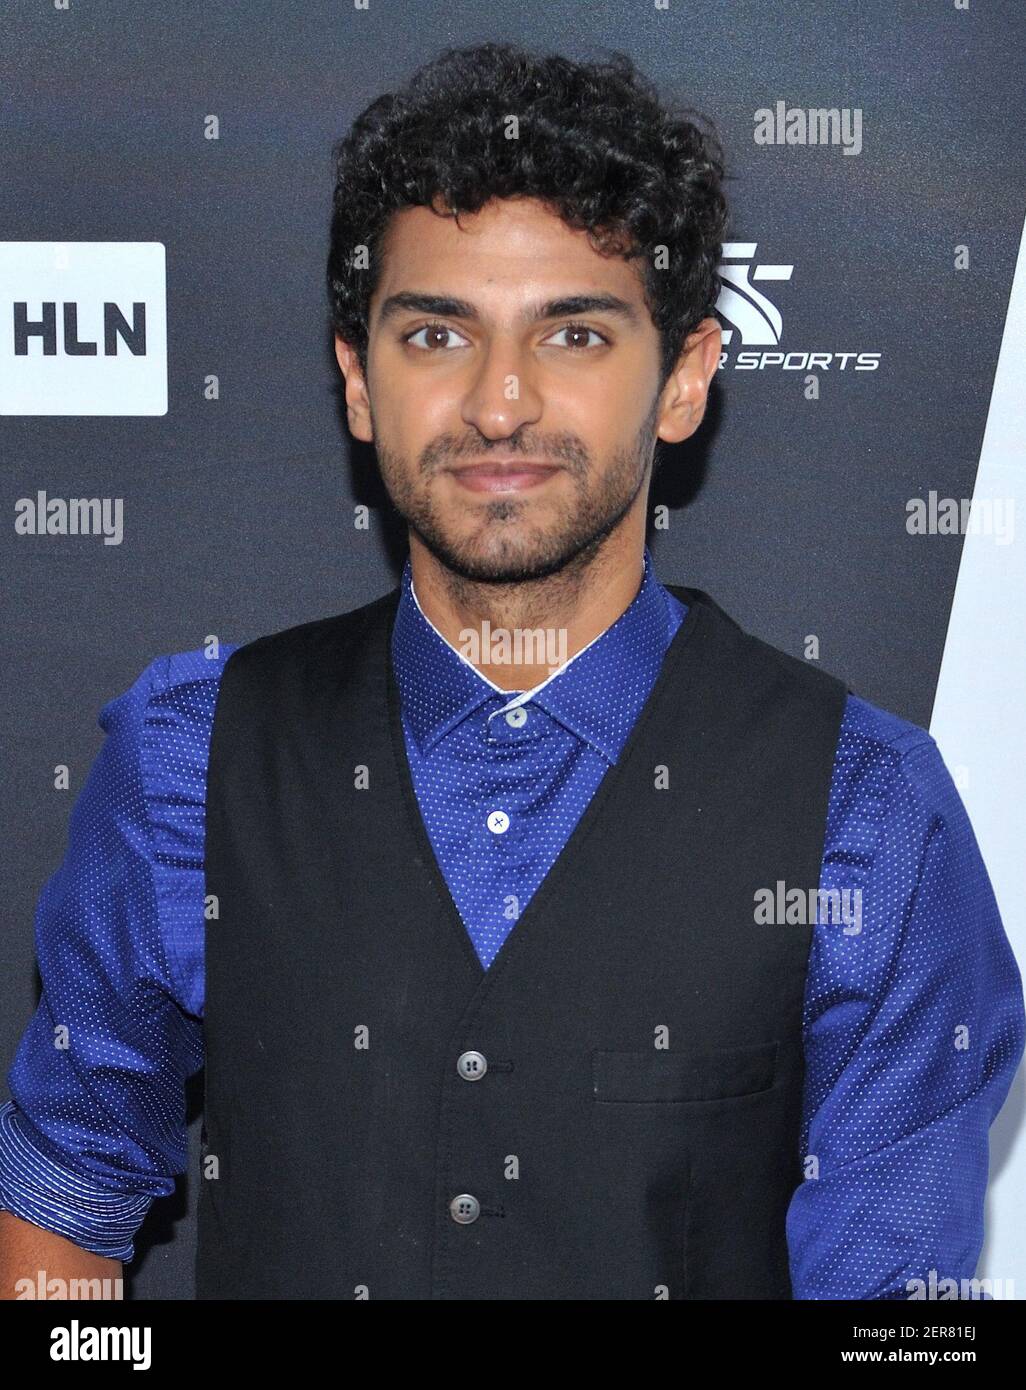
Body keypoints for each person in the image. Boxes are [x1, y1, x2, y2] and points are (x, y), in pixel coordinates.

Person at [1, 41, 1023, 1302]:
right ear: (357, 381)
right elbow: (62, 1196)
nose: (499, 404)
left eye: (574, 334)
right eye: (437, 333)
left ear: (687, 377)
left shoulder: (866, 814)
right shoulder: (187, 763)